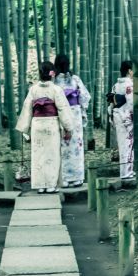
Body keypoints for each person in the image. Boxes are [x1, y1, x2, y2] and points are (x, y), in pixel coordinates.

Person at [16, 60, 76, 193]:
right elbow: (63, 109)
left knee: (38, 155)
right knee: (52, 155)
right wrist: (68, 128)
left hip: (37, 124)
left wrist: (25, 129)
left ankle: (40, 185)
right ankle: (50, 185)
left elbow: (27, 109)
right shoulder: (56, 89)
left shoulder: (33, 89)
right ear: (52, 74)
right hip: (51, 124)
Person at [53, 54, 91, 187]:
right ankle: (77, 177)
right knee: (76, 144)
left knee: (62, 145)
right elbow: (85, 96)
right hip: (74, 113)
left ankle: (64, 178)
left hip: (60, 113)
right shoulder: (75, 79)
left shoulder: (54, 81)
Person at [107, 60, 136, 180]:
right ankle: (126, 172)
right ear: (129, 71)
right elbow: (131, 103)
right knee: (128, 144)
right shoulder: (130, 85)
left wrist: (111, 115)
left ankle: (127, 170)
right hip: (127, 117)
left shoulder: (116, 85)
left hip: (117, 116)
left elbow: (111, 104)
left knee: (123, 144)